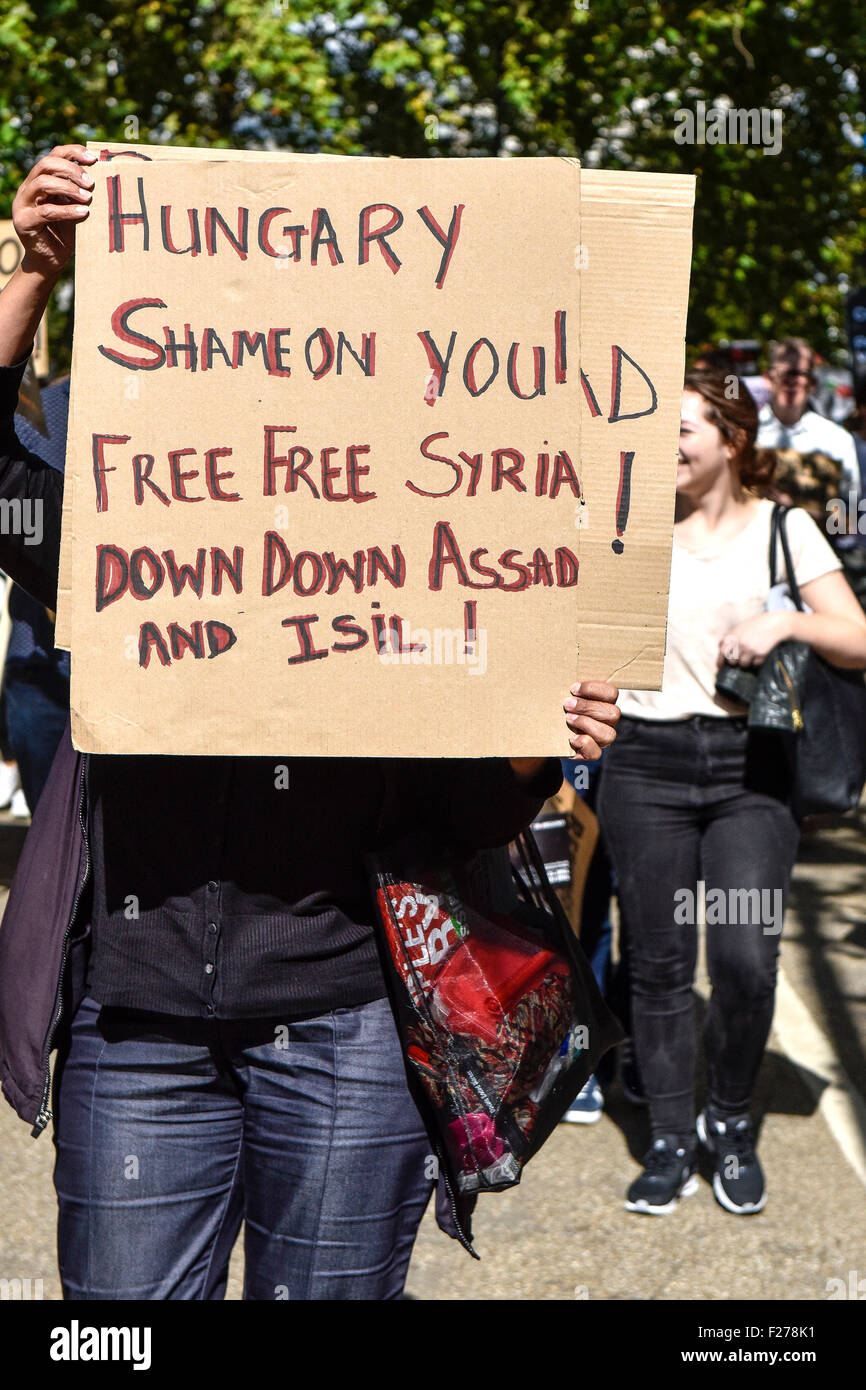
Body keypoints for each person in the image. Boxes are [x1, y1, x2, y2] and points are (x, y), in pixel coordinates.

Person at [0, 145, 622, 1300]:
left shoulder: (414, 566)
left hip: (344, 1029)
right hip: (136, 1027)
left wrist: (541, 728)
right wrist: (32, 269)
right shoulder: (123, 540)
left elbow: (465, 810)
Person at [598, 368, 866, 1216]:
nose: (666, 442)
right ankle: (672, 1138)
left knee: (746, 959)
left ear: (731, 439)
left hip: (749, 773)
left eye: (682, 427)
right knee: (661, 962)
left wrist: (786, 620)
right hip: (644, 766)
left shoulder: (786, 530)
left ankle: (730, 1121)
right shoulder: (625, 530)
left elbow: (856, 637)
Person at [757, 338, 861, 503]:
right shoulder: (747, 435)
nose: (792, 381)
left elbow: (852, 514)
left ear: (812, 383)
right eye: (785, 373)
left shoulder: (838, 441)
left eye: (799, 373)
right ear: (768, 378)